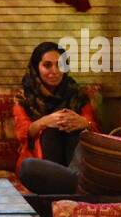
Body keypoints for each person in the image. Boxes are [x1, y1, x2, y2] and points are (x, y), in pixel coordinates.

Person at [14, 42, 99, 194]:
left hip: (75, 160)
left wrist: (84, 122)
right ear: (36, 68)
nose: (55, 71)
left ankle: (69, 185)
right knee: (50, 132)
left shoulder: (77, 94)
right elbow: (23, 133)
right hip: (39, 160)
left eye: (59, 65)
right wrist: (45, 122)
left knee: (75, 131)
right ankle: (74, 187)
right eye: (47, 65)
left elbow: (94, 130)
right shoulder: (25, 98)